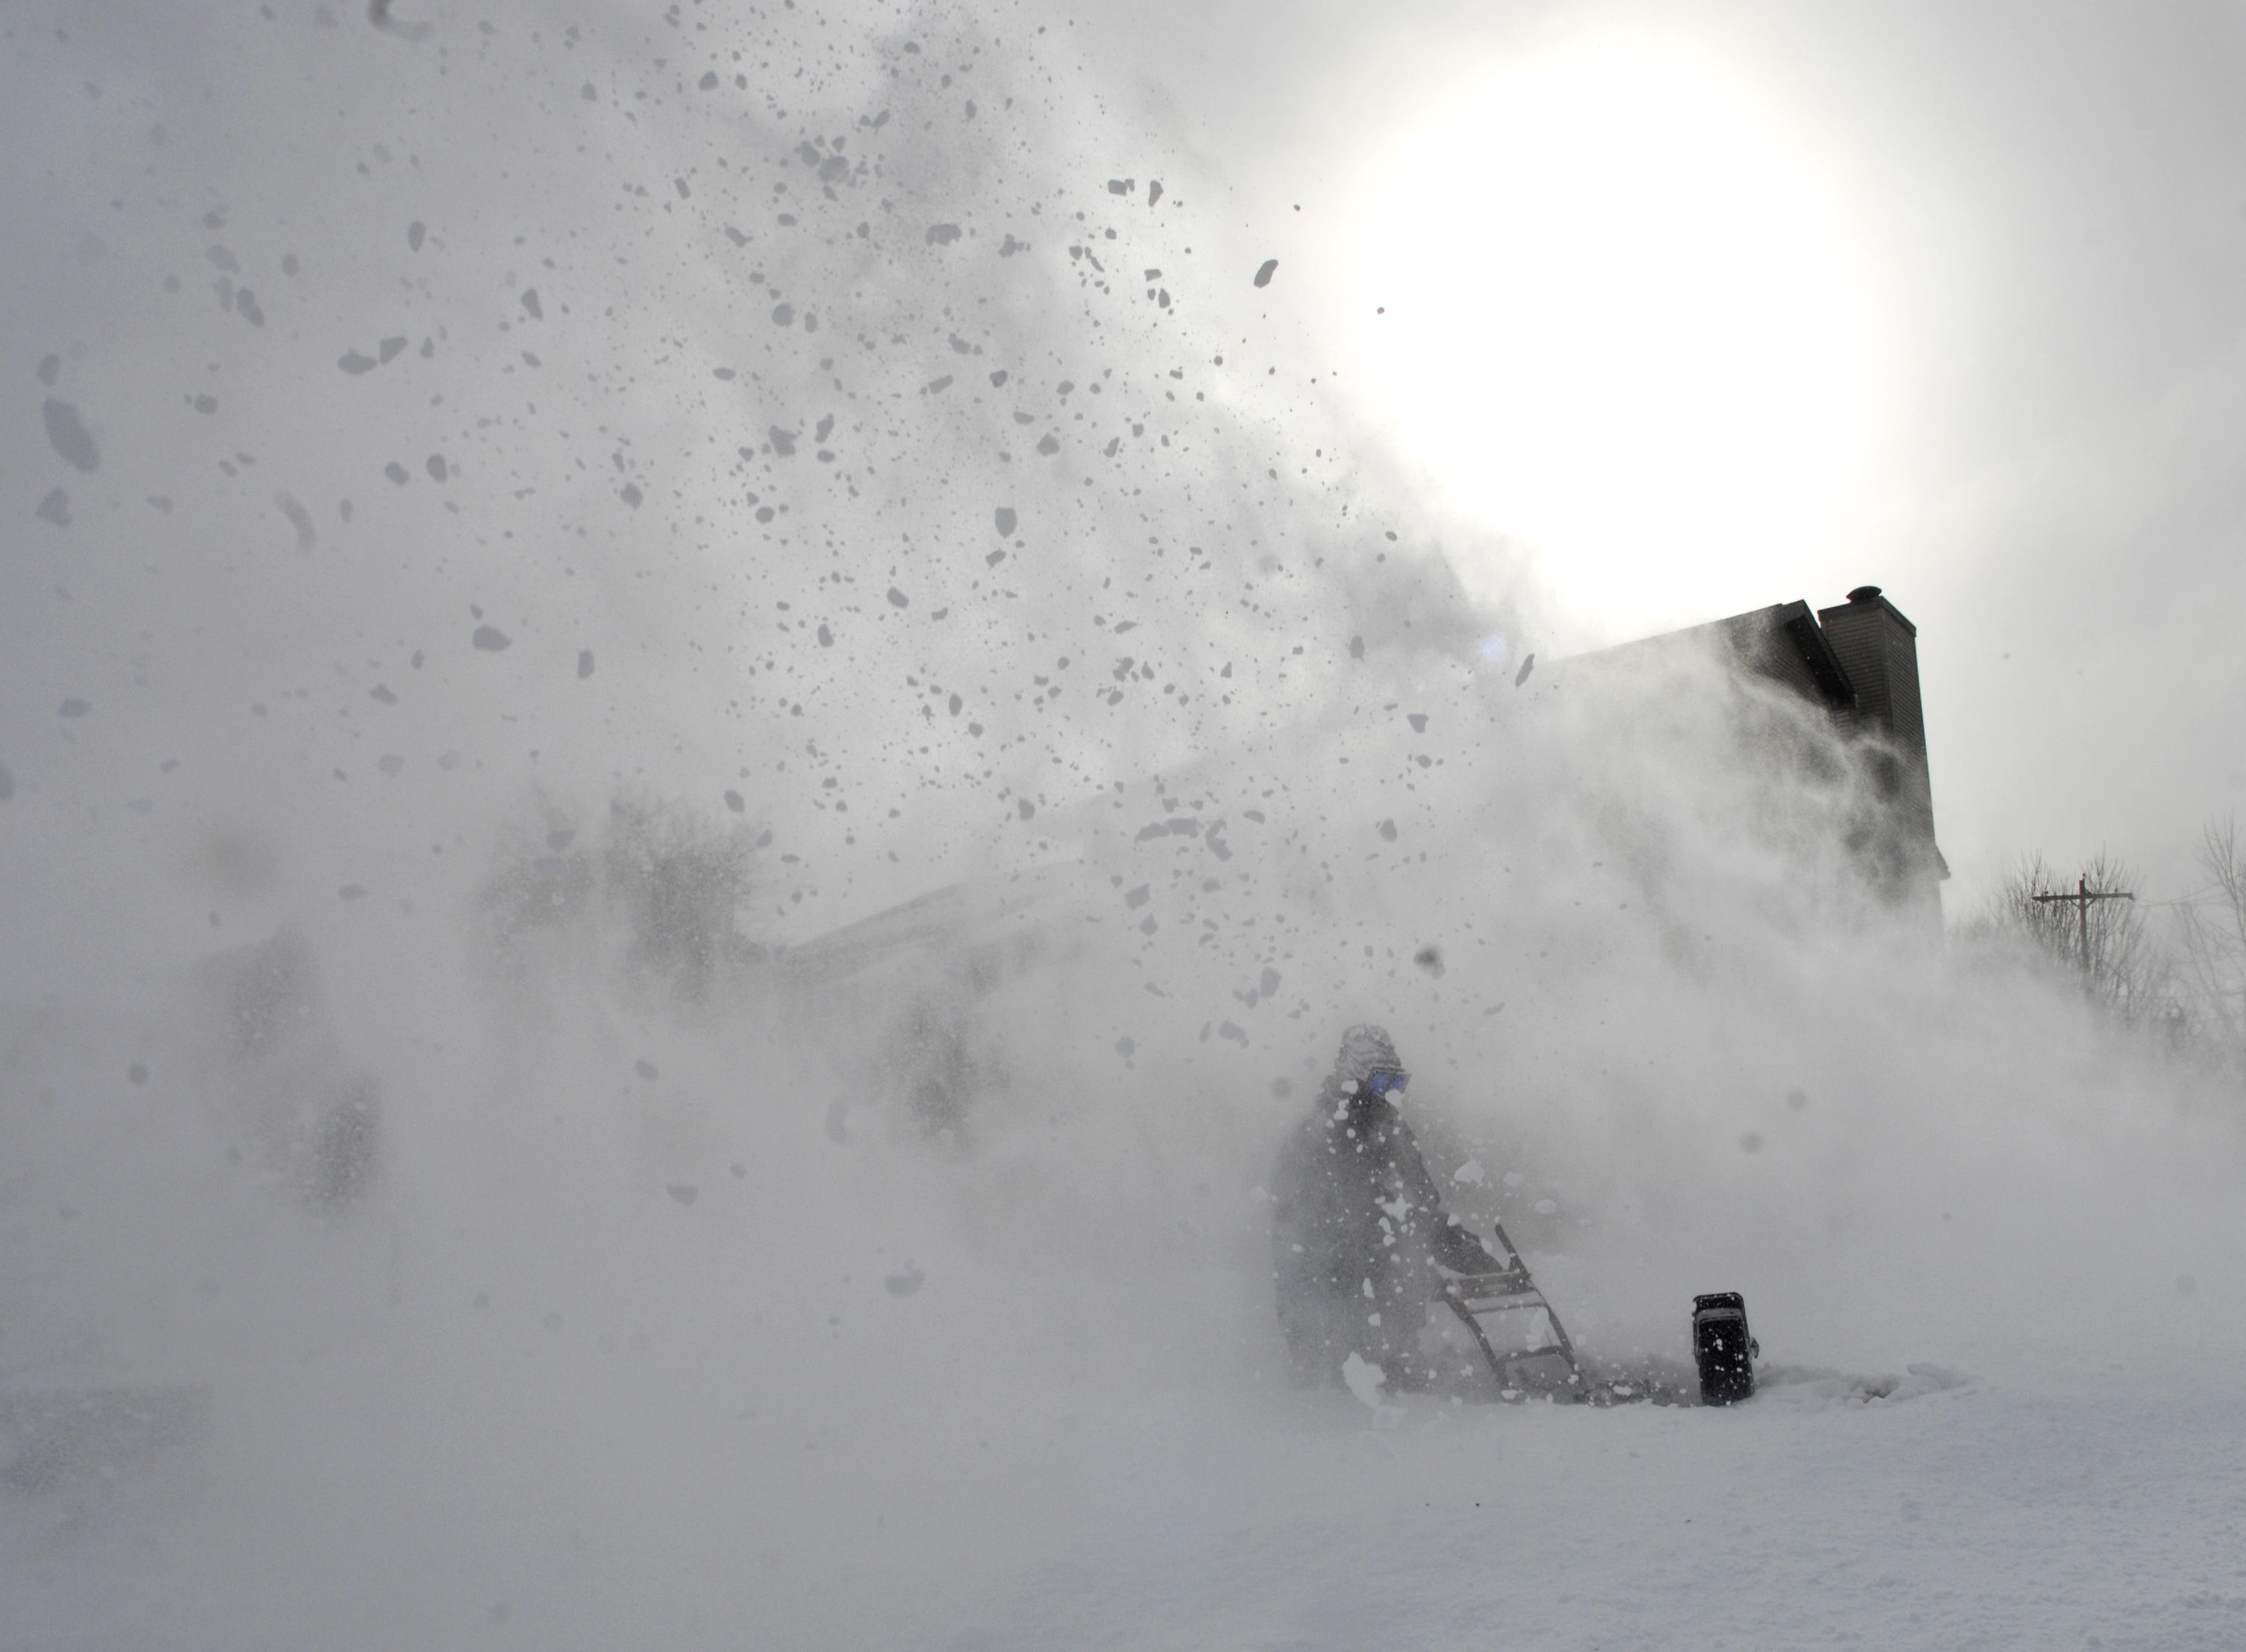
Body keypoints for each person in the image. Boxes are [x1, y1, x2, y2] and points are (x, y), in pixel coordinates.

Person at [1269, 1024, 1503, 1391]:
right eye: (1381, 1085)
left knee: (1407, 1404)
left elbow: (1422, 1211)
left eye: (1397, 1085)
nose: (1391, 1096)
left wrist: (1466, 1255)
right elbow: (1314, 1244)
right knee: (1356, 1413)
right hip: (1331, 1336)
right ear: (1356, 1081)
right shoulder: (1318, 1142)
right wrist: (1400, 1266)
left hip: (1392, 1335)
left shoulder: (1394, 1136)